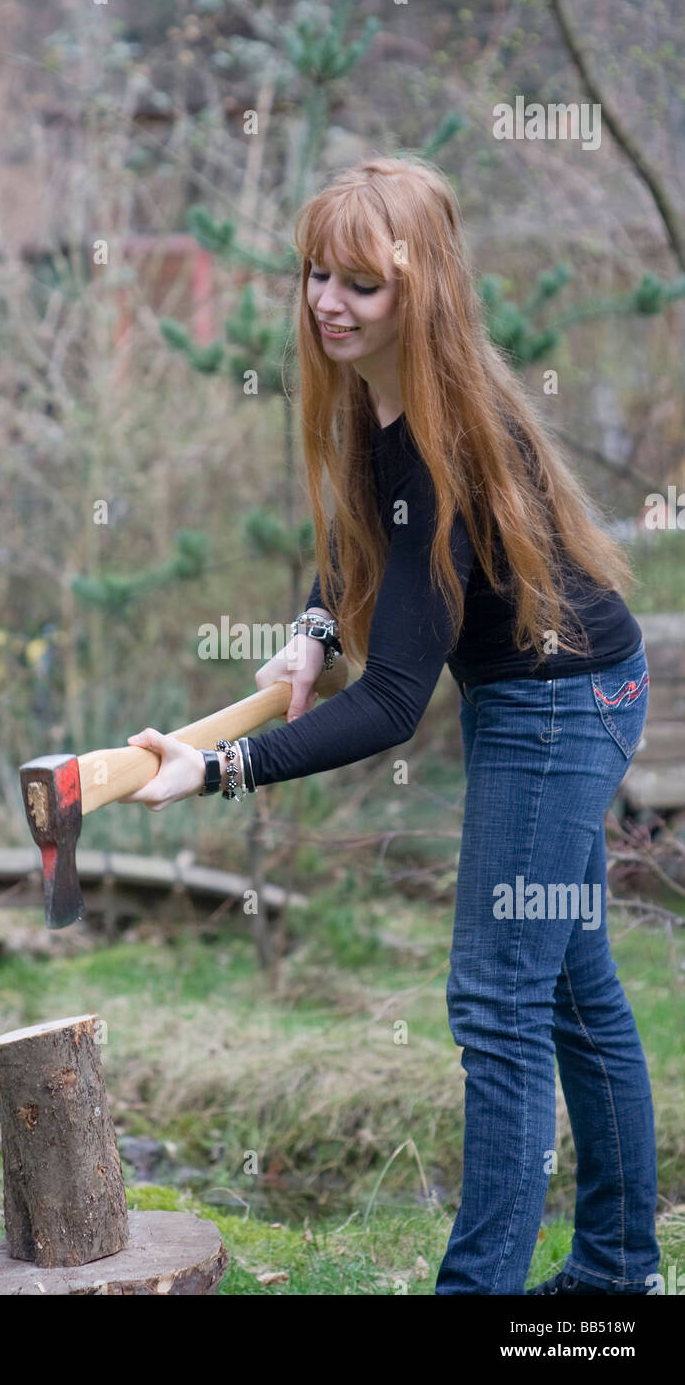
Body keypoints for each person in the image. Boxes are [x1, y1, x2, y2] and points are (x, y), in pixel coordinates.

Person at [116, 156, 660, 1296]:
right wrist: (317, 618)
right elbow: (369, 536)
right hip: (552, 693)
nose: (328, 301)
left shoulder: (443, 431)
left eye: (359, 283)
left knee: (498, 1005)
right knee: (566, 985)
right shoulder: (384, 395)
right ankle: (613, 1272)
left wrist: (217, 768)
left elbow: (392, 703)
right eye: (317, 273)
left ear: (421, 288)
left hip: (564, 706)